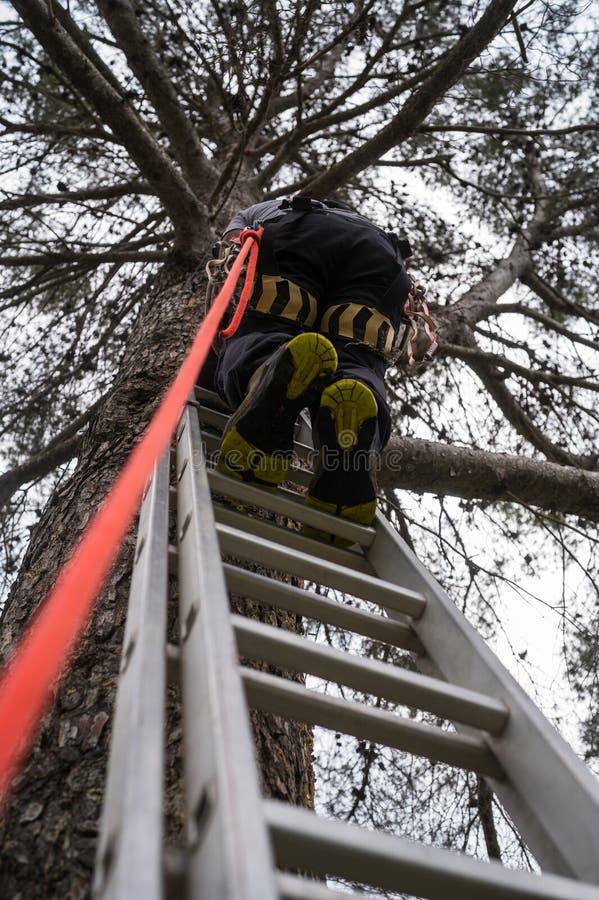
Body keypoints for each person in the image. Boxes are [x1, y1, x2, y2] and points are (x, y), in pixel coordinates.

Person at [214, 196, 413, 542]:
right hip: (379, 254)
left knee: (269, 328)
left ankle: (267, 372)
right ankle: (353, 432)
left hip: (300, 233)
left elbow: (236, 232)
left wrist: (234, 245)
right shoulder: (361, 221)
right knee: (358, 357)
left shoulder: (274, 207)